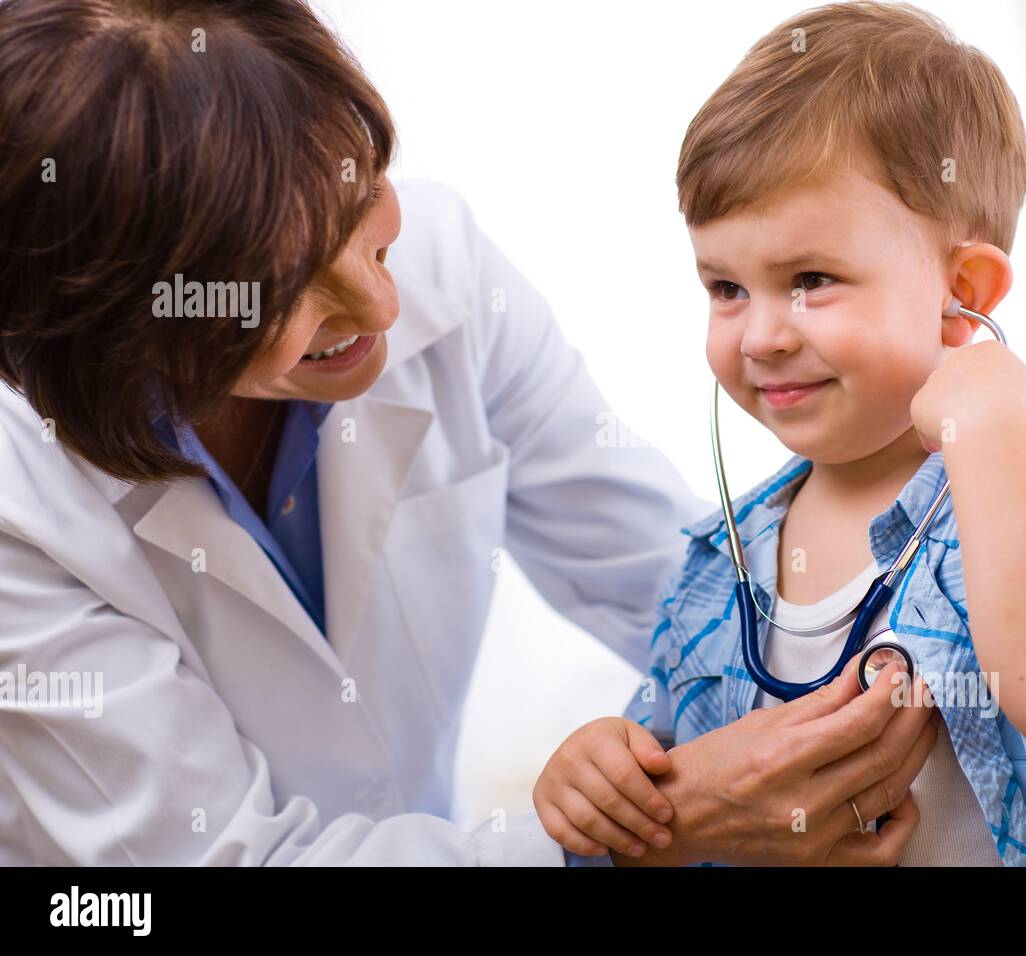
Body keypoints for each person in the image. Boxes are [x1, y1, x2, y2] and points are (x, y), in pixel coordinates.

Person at [0, 0, 945, 866]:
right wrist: (652, 824)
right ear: (126, 328)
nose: (380, 301)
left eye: (363, 204)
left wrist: (923, 660)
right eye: (281, 291)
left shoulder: (446, 272)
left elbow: (682, 594)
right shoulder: (22, 496)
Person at [534, 1, 1026, 867]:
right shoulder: (718, 562)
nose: (760, 335)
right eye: (725, 288)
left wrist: (993, 427)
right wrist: (598, 778)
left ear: (964, 292)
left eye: (811, 278)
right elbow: (664, 788)